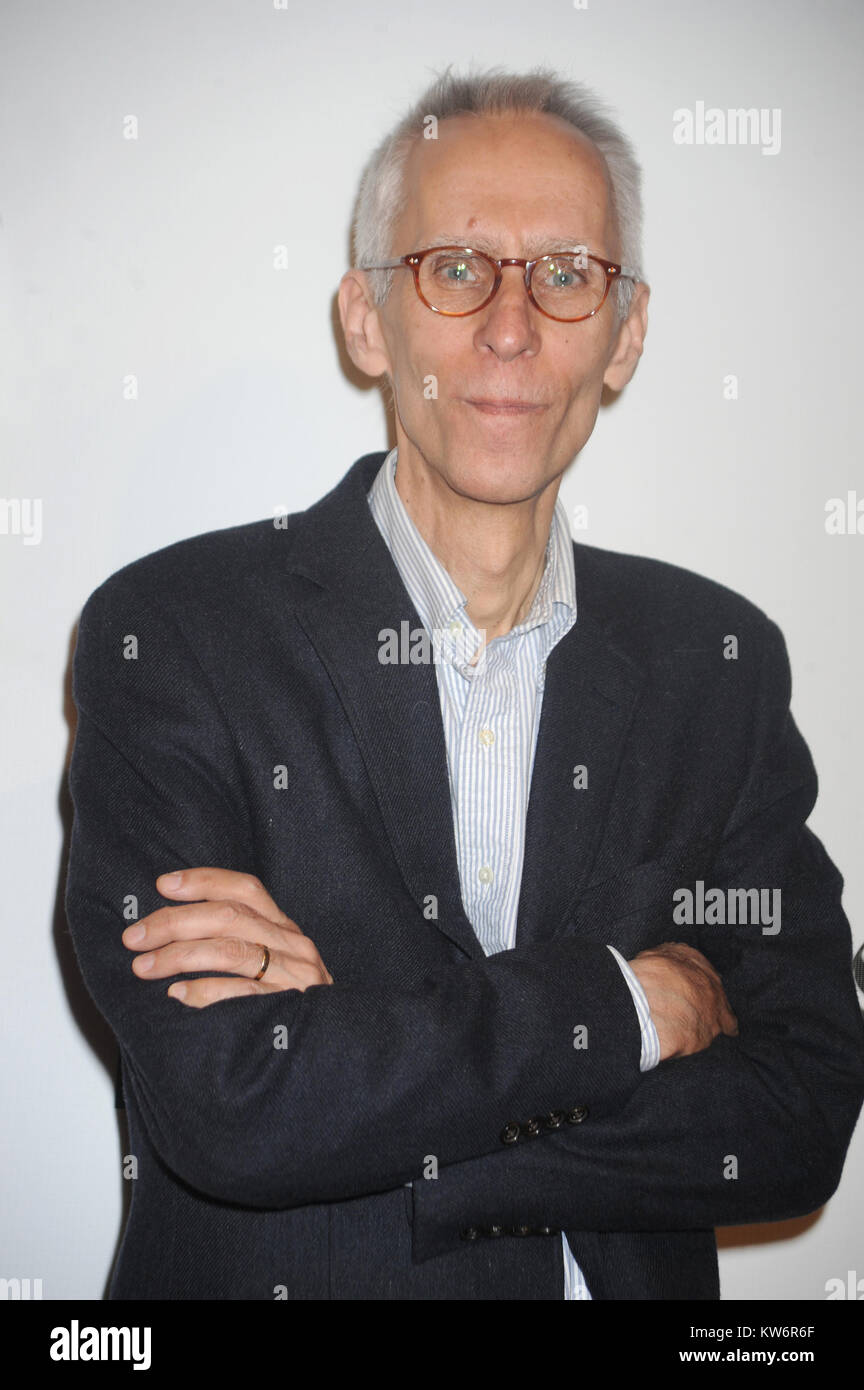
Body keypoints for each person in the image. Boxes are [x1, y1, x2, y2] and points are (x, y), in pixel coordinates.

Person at [65, 67, 864, 1301]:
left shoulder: (719, 661)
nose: (512, 325)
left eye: (564, 273)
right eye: (455, 267)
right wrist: (633, 1004)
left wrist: (387, 1098)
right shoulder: (169, 637)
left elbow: (801, 1113)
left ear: (626, 333)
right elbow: (231, 1105)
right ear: (367, 319)